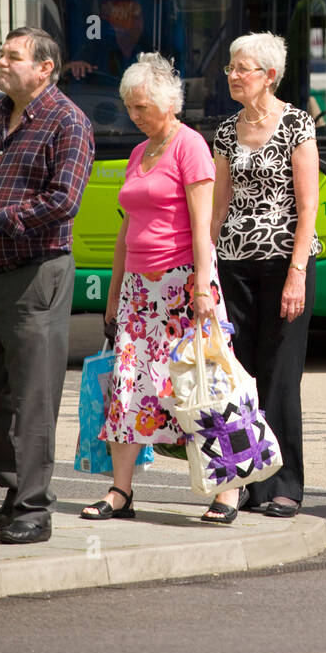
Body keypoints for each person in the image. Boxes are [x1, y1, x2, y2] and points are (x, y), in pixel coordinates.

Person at [80, 53, 240, 523]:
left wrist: (203, 288)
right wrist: (114, 294)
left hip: (180, 290)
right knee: (129, 388)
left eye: (142, 106)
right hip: (138, 292)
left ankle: (226, 492)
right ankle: (121, 492)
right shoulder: (137, 152)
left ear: (170, 102)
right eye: (129, 107)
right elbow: (126, 230)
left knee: (200, 388)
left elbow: (202, 225)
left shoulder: (189, 146)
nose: (134, 115)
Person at [0, 27, 94, 545]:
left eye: (12, 56)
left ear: (44, 68)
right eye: (1, 53)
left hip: (36, 275)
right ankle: (18, 489)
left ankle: (34, 509)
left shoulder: (69, 122)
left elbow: (64, 201)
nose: (1, 62)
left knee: (34, 398)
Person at [212, 32, 320, 518]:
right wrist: (206, 268)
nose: (234, 75)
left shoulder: (296, 124)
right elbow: (217, 207)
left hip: (284, 264)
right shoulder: (225, 130)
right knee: (242, 378)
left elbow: (308, 203)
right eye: (231, 68)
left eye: (243, 68)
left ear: (269, 75)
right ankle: (248, 483)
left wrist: (297, 272)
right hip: (233, 265)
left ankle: (285, 486)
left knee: (280, 375)